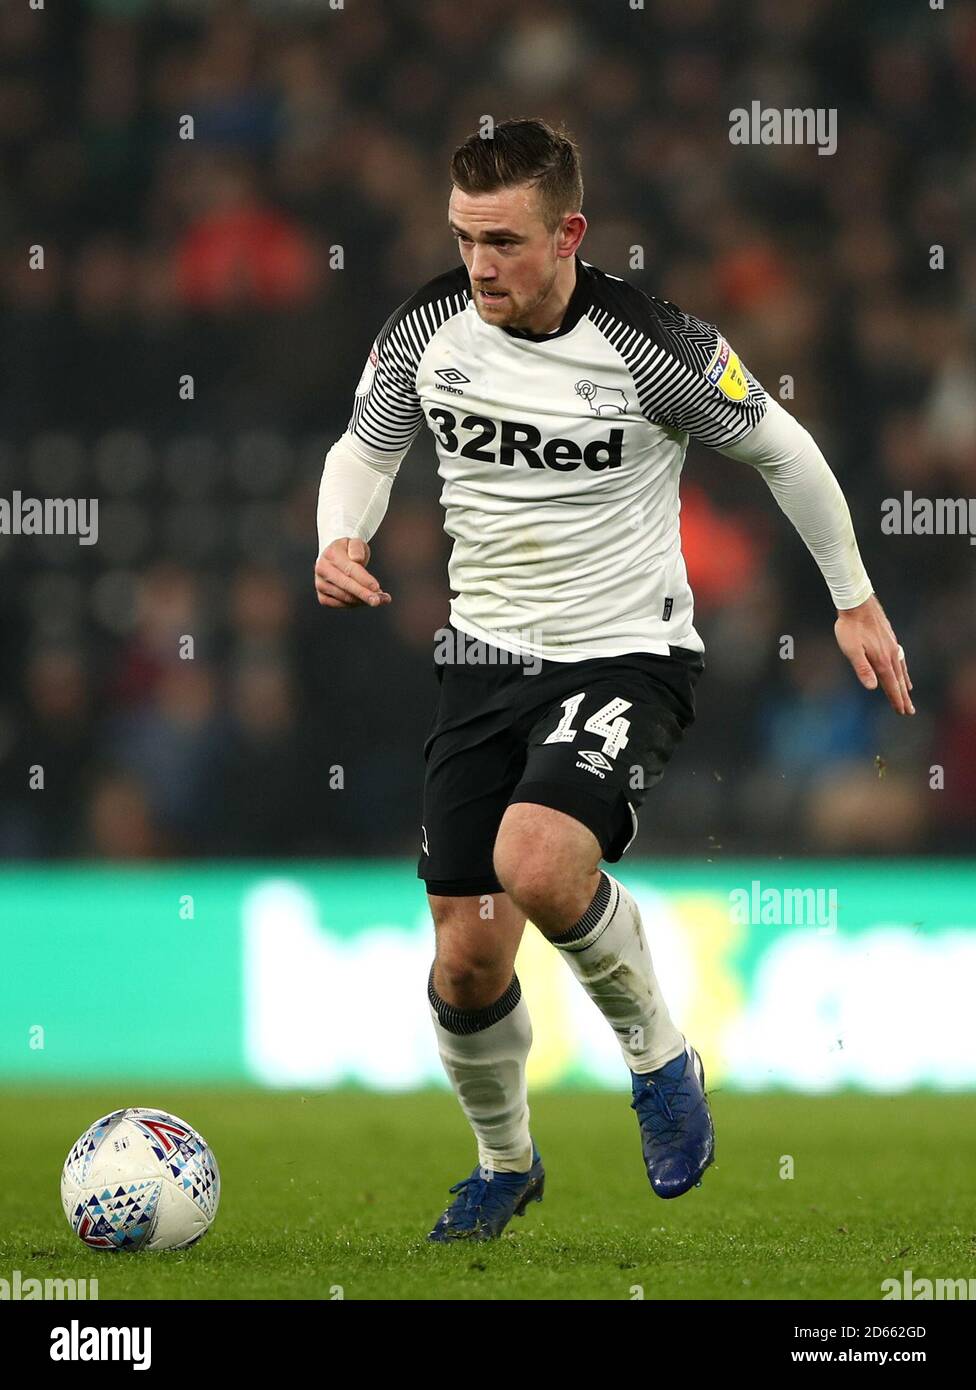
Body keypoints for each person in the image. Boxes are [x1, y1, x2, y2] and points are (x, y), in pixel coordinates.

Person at [314, 118, 914, 1242]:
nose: (479, 262)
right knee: (465, 950)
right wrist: (339, 535)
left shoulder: (651, 347)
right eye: (462, 236)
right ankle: (506, 1165)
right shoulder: (427, 328)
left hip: (623, 650)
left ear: (569, 234)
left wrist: (851, 598)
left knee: (536, 861)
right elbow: (365, 444)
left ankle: (660, 1059)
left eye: (502, 239)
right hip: (482, 662)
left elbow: (783, 447)